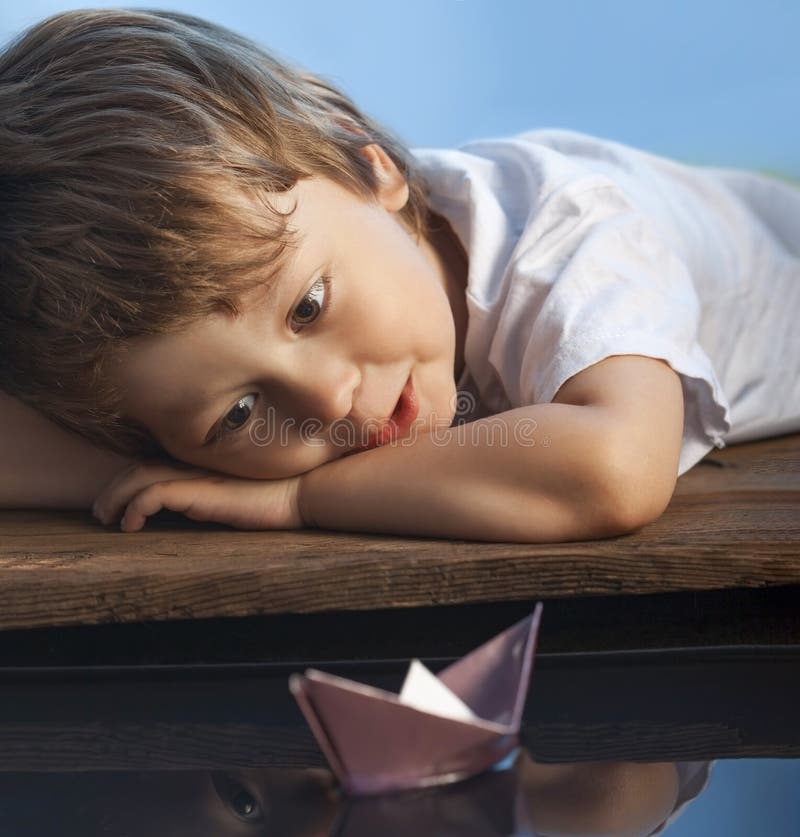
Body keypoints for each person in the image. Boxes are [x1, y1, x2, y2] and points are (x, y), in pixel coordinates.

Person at [1, 9, 798, 542]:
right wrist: (142, 470)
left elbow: (612, 469)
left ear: (366, 163)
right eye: (239, 411)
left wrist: (297, 498)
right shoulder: (315, 253)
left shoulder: (569, 240)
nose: (323, 398)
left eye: (309, 306)